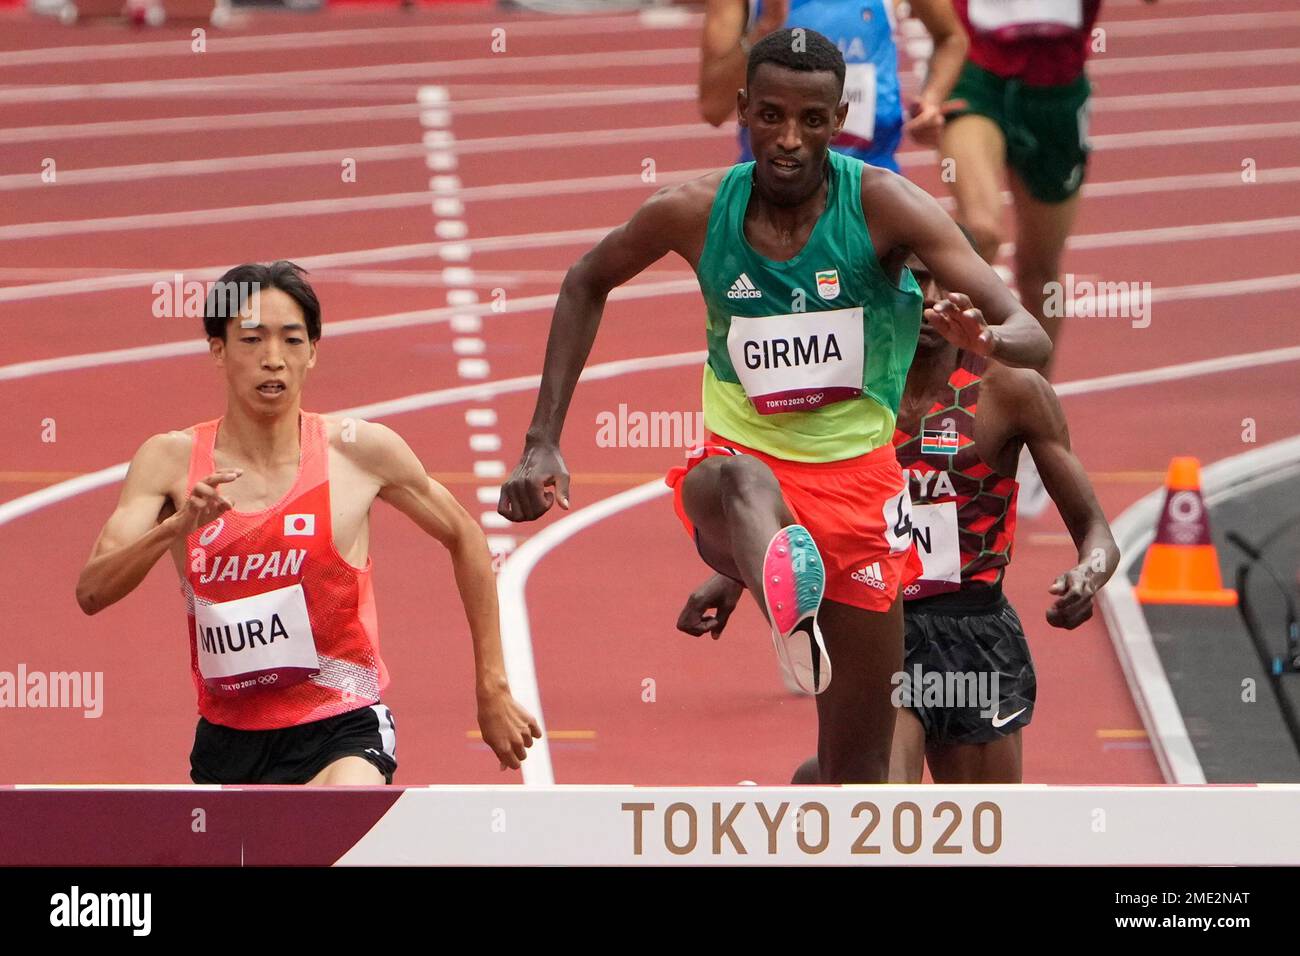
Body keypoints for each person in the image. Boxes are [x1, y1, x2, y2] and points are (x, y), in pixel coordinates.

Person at [497, 30, 1050, 783]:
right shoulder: (693, 211)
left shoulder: (884, 206)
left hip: (861, 494)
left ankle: (806, 761)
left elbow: (1028, 331)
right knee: (740, 479)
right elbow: (584, 280)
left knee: (856, 780)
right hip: (740, 477)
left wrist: (986, 336)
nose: (789, 139)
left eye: (812, 120)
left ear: (839, 119)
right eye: (771, 116)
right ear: (743, 110)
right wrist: (542, 438)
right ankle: (790, 614)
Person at [76, 261, 541, 785]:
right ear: (218, 350)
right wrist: (174, 528)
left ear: (313, 351)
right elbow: (92, 591)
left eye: (292, 340)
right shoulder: (169, 462)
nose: (273, 359)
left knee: (339, 815)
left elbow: (465, 535)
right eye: (252, 340)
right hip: (228, 739)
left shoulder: (358, 452)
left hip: (343, 728)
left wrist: (492, 685)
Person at [684, 252, 1116, 783]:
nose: (929, 298)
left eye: (942, 282)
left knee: (983, 826)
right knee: (885, 803)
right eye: (911, 279)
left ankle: (817, 785)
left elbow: (1096, 531)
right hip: (876, 616)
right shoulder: (841, 385)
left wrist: (1089, 572)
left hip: (975, 631)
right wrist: (736, 574)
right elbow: (796, 491)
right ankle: (831, 782)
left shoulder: (1012, 391)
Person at [698, 0, 969, 168]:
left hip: (870, 184)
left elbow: (951, 38)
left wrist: (930, 101)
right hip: (775, 183)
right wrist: (767, 26)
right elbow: (713, 107)